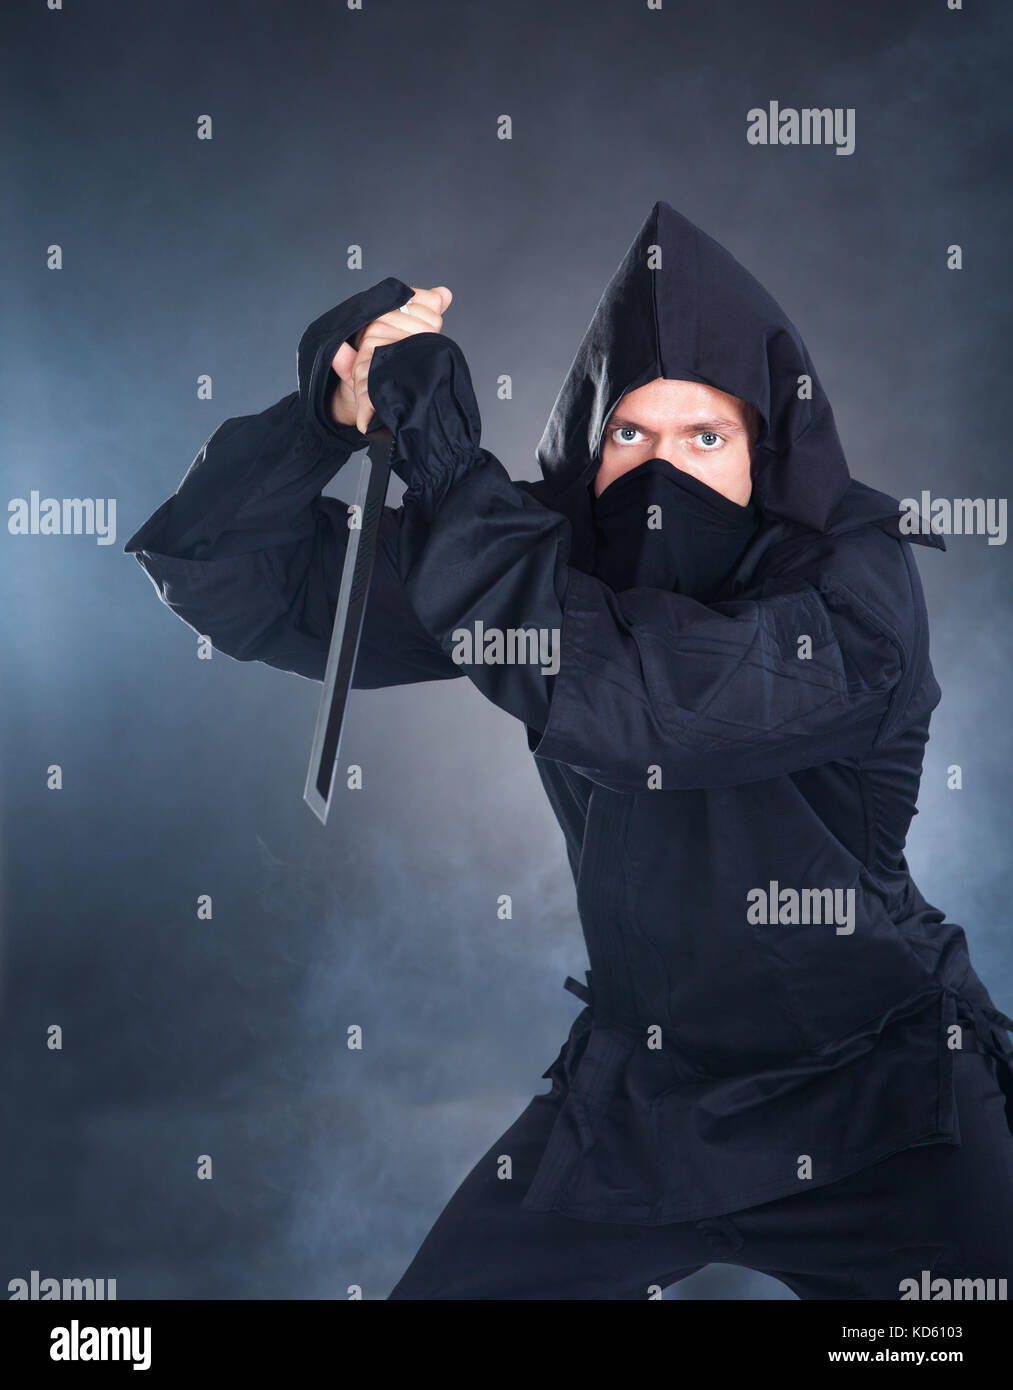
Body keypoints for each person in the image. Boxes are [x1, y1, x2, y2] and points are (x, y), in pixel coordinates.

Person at [124, 200, 1013, 1300]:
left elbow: (633, 698)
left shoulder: (855, 589)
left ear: (765, 452)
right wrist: (333, 410)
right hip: (639, 1102)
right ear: (587, 451)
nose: (662, 471)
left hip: (881, 1105)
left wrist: (450, 473)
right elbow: (234, 577)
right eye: (628, 435)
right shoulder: (548, 559)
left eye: (703, 436)